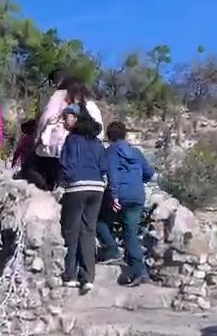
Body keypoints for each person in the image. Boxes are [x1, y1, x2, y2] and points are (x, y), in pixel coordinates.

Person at [58, 104, 107, 294]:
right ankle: (88, 278)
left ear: (76, 118)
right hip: (97, 188)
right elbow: (103, 166)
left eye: (66, 117)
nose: (64, 121)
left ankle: (70, 275)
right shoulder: (96, 142)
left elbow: (66, 164)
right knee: (88, 232)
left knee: (71, 230)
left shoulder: (72, 140)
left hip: (76, 187)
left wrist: (64, 181)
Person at [102, 121, 157, 286]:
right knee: (131, 234)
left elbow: (112, 174)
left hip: (121, 195)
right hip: (138, 196)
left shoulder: (111, 151)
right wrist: (137, 182)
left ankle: (112, 250)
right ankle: (141, 272)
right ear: (125, 134)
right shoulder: (136, 152)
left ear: (108, 136)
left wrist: (114, 196)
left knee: (98, 221)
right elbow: (149, 173)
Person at [32, 71, 72, 191]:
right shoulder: (74, 97)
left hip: (49, 146)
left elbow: (43, 118)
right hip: (66, 147)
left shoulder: (53, 96)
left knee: (36, 173)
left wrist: (37, 138)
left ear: (52, 82)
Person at [12, 118, 50, 189]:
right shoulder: (38, 137)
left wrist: (14, 162)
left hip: (27, 166)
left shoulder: (26, 138)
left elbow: (18, 151)